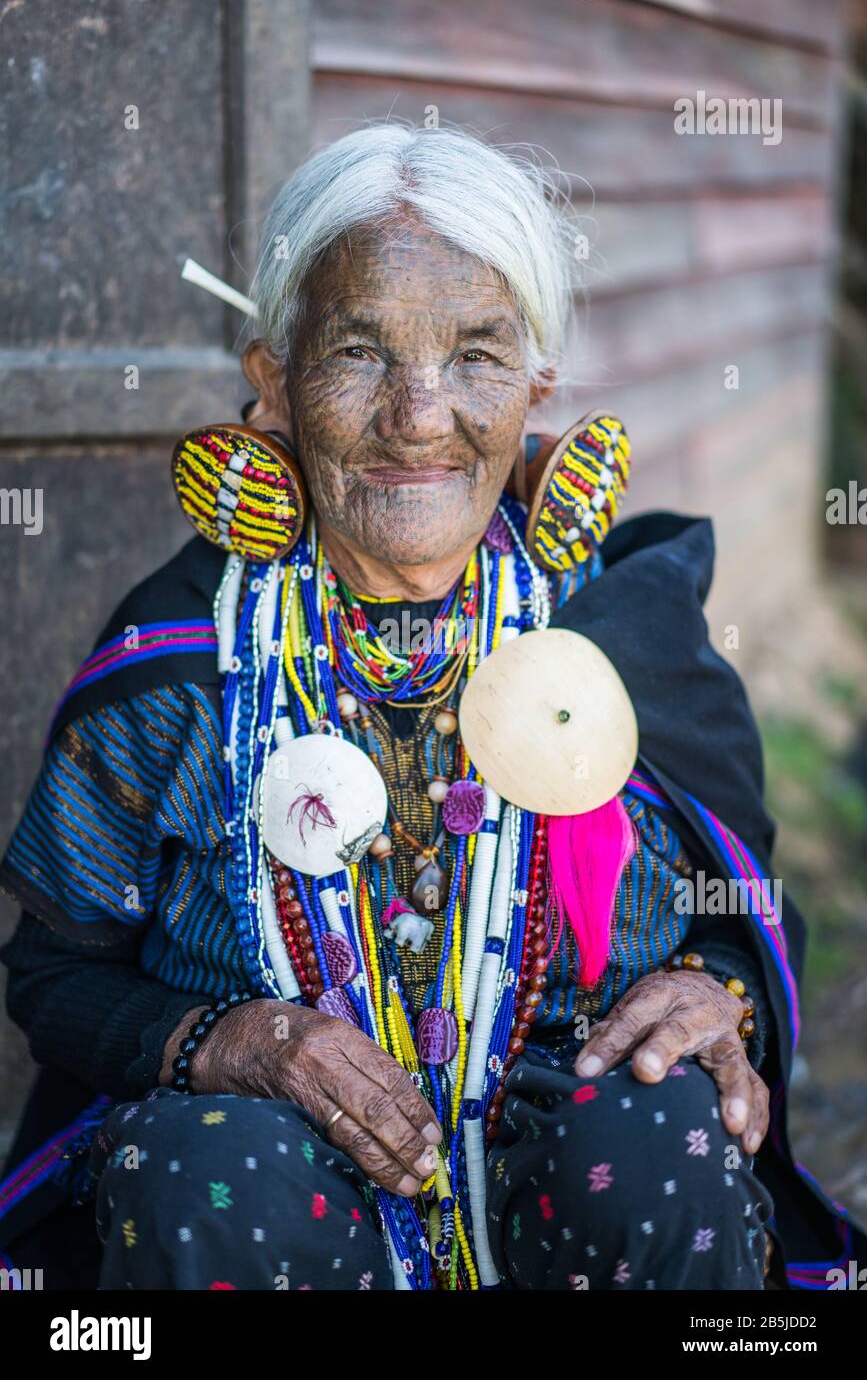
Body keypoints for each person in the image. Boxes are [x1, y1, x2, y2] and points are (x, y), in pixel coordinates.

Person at [0, 124, 862, 1291]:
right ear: (276, 381)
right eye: (358, 352)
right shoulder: (177, 661)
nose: (419, 414)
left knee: (665, 1141)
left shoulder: (622, 631)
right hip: (280, 1181)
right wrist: (239, 1043)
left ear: (537, 388)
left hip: (571, 1166)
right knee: (200, 1168)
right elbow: (54, 974)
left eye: (475, 356)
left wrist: (719, 995)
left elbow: (738, 917)